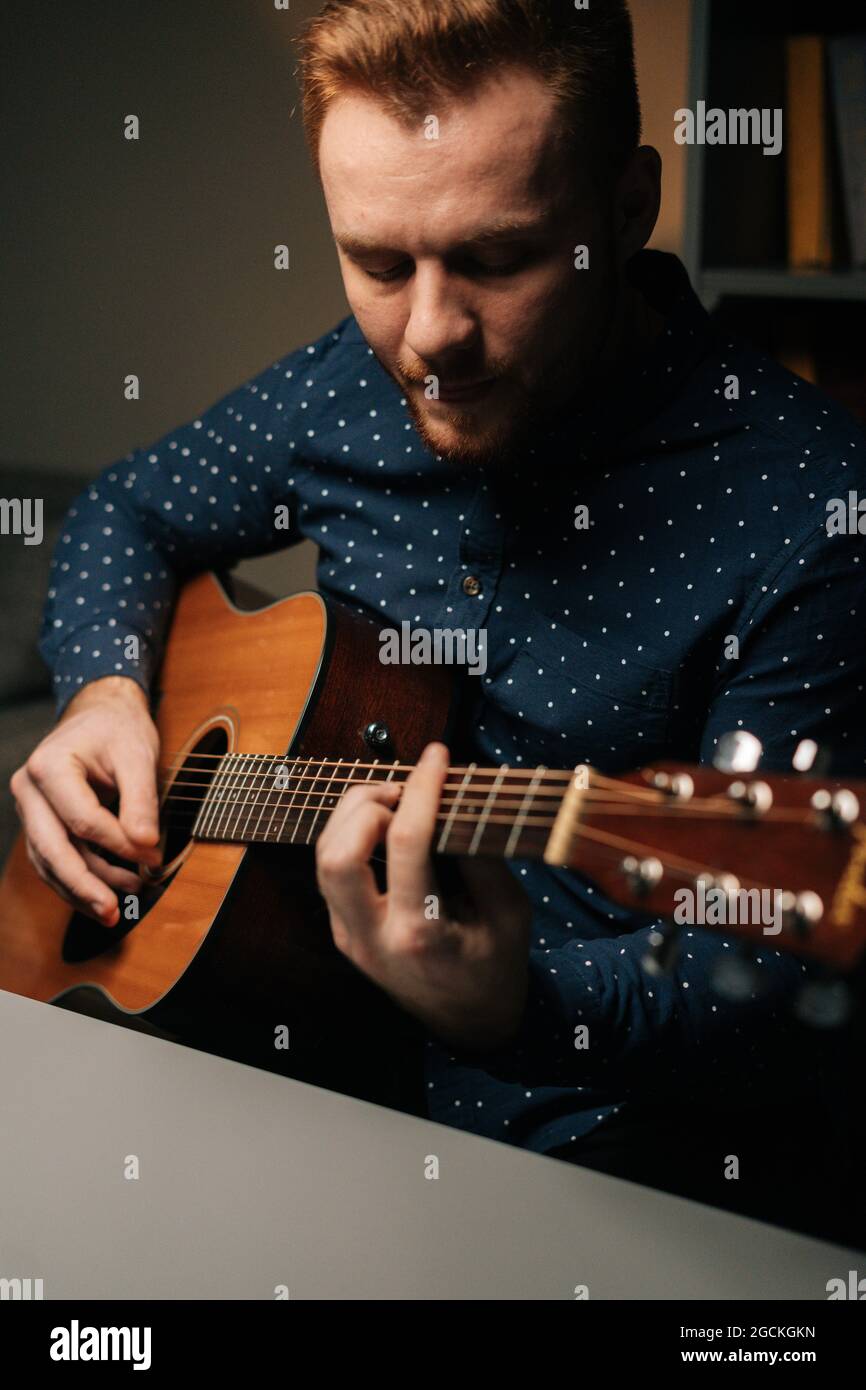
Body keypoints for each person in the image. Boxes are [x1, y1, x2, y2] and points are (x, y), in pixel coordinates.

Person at [11, 0, 866, 1240]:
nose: (427, 338)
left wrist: (512, 1001)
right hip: (263, 1065)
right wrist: (101, 692)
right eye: (375, 261)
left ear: (625, 209)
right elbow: (126, 511)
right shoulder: (349, 388)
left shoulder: (809, 506)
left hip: (596, 1157)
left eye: (497, 259)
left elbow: (764, 988)